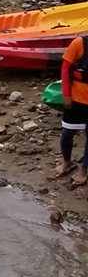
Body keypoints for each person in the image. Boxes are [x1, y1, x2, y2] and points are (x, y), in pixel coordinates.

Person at [55, 36, 88, 186]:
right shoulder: (80, 43)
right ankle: (66, 162)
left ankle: (83, 170)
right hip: (76, 99)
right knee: (67, 134)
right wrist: (66, 95)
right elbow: (65, 68)